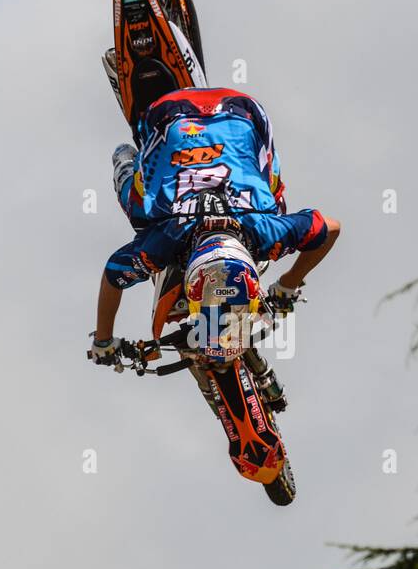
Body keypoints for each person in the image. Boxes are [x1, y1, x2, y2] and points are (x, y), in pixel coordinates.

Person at [89, 87, 340, 364]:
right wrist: (104, 341)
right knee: (140, 214)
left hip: (237, 110)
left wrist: (287, 285)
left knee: (274, 202)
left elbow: (330, 228)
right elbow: (113, 276)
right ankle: (124, 162)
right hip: (179, 113)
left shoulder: (267, 233)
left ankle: (127, 164)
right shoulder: (163, 241)